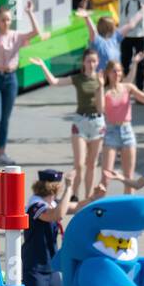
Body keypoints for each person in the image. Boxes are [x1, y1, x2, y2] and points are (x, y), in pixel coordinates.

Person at [28, 51, 105, 203]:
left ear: (98, 62)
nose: (92, 64)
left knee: (92, 164)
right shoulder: (78, 78)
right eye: (89, 61)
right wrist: (43, 66)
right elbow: (55, 82)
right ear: (83, 62)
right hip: (80, 122)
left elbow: (102, 108)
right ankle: (74, 194)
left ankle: (89, 198)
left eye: (94, 61)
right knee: (79, 164)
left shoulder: (101, 79)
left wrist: (101, 87)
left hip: (98, 123)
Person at [0, 0, 44, 166]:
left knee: (6, 118)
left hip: (10, 79)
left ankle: (2, 152)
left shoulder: (16, 36)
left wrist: (30, 13)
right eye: (3, 20)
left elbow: (36, 32)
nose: (6, 23)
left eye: (8, 19)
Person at [22, 171, 74, 286]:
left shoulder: (52, 203)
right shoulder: (35, 205)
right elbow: (56, 215)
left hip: (51, 268)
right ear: (54, 187)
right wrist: (69, 188)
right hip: (35, 269)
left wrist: (95, 197)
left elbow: (76, 206)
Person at [100, 55, 144, 191]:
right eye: (113, 71)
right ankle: (100, 208)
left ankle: (128, 210)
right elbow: (100, 109)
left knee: (128, 177)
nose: (117, 74)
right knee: (106, 176)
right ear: (107, 73)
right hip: (111, 131)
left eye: (118, 71)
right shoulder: (104, 91)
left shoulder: (127, 87)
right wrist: (100, 86)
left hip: (127, 130)